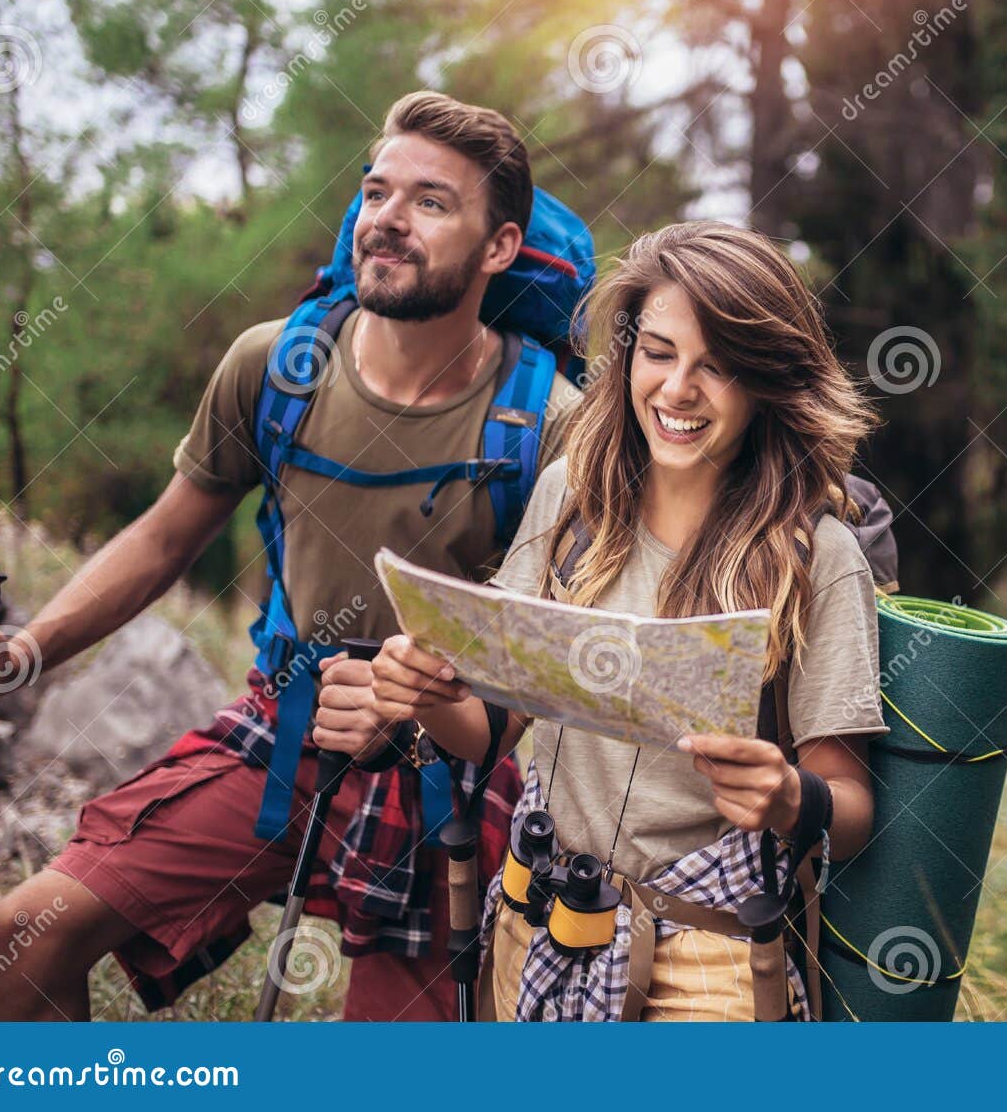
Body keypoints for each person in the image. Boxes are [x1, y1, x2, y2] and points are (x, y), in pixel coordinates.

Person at [0, 91, 583, 1020]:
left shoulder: (553, 424)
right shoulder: (278, 367)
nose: (387, 220)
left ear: (498, 246)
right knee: (25, 929)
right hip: (283, 725)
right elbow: (167, 536)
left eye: (430, 202)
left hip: (447, 769)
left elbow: (549, 665)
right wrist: (22, 648)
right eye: (376, 192)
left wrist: (425, 706)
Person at [331, 221, 889, 1020]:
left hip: (713, 951)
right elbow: (493, 727)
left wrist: (787, 796)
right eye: (657, 352)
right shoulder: (570, 499)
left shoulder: (817, 555)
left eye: (718, 366)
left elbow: (854, 808)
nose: (677, 390)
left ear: (768, 380)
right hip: (540, 920)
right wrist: (424, 696)